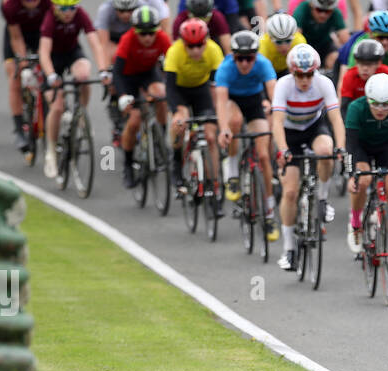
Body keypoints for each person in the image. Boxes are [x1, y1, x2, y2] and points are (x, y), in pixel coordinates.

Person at [272, 44, 345, 271]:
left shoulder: (324, 83)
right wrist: (283, 150)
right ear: (292, 72)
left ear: (316, 71)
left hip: (314, 127)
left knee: (326, 151)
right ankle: (289, 249)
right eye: (300, 75)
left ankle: (322, 200)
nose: (305, 80)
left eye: (309, 74)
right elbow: (276, 122)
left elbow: (335, 118)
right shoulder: (283, 85)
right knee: (290, 192)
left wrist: (340, 147)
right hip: (289, 133)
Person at [344, 71, 388, 275]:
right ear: (367, 99)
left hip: (387, 147)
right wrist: (351, 175)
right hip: (361, 148)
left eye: (386, 105)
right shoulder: (356, 108)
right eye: (375, 104)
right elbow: (350, 146)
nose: (380, 109)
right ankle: (356, 223)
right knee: (363, 180)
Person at [214, 30, 282, 241]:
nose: (244, 63)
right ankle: (233, 172)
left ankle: (269, 213)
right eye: (240, 58)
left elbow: (275, 95)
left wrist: (277, 118)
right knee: (234, 122)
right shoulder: (225, 68)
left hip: (254, 102)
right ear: (233, 56)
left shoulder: (263, 64)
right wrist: (223, 129)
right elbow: (221, 102)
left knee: (264, 155)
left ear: (256, 56)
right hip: (232, 101)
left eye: (249, 58)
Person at [39, 0, 109, 179]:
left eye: (72, 8)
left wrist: (103, 70)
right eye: (63, 9)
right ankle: (51, 152)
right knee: (57, 107)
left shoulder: (80, 15)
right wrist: (51, 75)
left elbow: (95, 43)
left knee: (84, 75)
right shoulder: (49, 19)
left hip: (71, 53)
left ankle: (81, 114)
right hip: (52, 60)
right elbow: (44, 52)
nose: (68, 12)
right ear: (55, 8)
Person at [113, 6, 173, 188]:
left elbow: (172, 66)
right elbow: (117, 72)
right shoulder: (127, 39)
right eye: (143, 33)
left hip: (148, 73)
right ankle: (128, 164)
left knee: (161, 95)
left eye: (151, 33)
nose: (148, 38)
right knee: (134, 121)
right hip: (127, 77)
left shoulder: (162, 37)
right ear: (135, 31)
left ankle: (160, 139)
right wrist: (123, 95)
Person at [166, 16, 225, 199]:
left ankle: (214, 183)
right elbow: (169, 88)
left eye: (200, 45)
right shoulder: (174, 52)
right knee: (180, 121)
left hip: (201, 90)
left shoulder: (214, 50)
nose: (196, 50)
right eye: (191, 46)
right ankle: (176, 163)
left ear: (206, 41)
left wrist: (218, 114)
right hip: (179, 91)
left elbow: (218, 87)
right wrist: (177, 112)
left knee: (210, 136)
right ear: (183, 43)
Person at [1, 0, 50, 152]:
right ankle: (19, 130)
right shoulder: (10, 6)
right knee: (15, 77)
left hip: (41, 33)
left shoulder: (49, 3)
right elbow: (16, 38)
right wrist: (22, 62)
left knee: (47, 70)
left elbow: (49, 32)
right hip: (17, 33)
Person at [339, 38, 388, 116]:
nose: (365, 68)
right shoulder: (350, 76)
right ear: (356, 62)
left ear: (378, 63)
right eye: (361, 63)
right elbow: (344, 107)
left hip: (384, 113)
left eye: (369, 64)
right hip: (359, 115)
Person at [293, 0, 352, 72]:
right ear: (312, 6)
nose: (323, 15)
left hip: (325, 45)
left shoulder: (336, 12)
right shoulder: (303, 8)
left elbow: (346, 40)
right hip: (306, 45)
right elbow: (296, 36)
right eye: (319, 10)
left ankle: (330, 75)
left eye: (328, 11)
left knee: (335, 58)